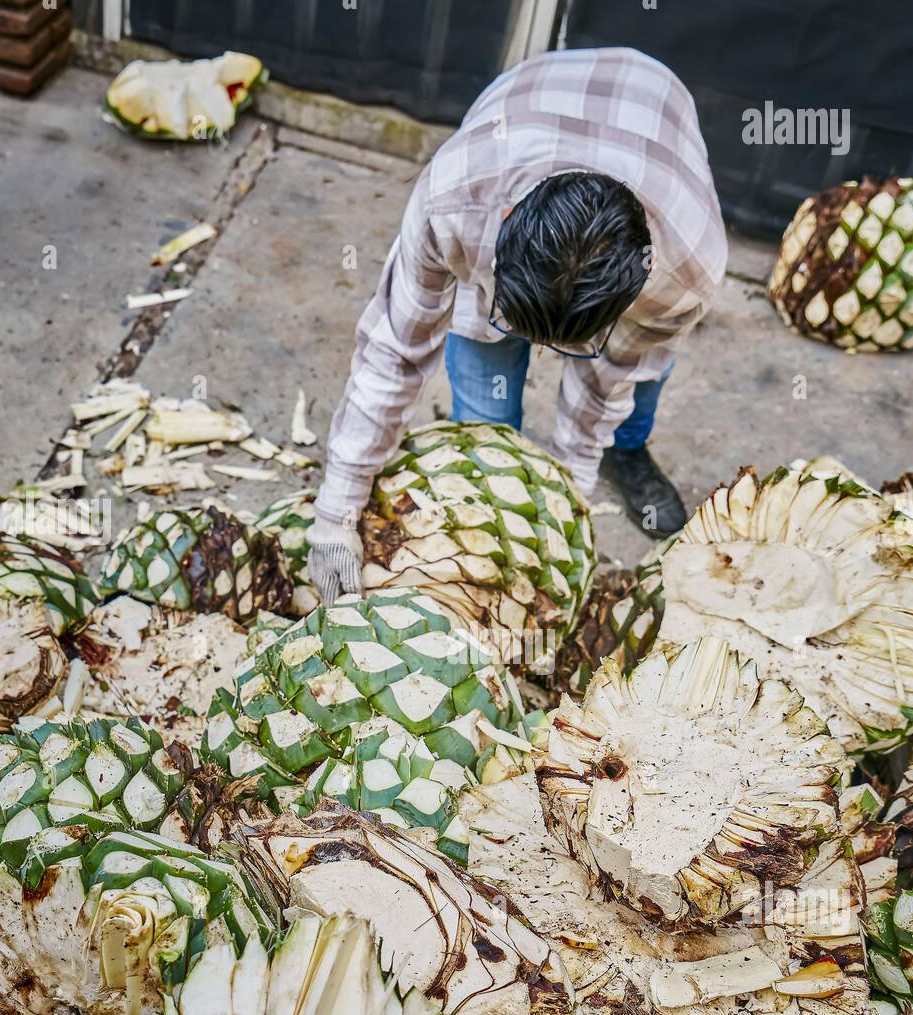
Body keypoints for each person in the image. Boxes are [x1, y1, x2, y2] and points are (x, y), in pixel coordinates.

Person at [310, 46, 727, 604]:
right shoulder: (454, 198)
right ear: (503, 222)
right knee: (484, 412)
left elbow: (612, 376)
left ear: (641, 277)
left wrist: (569, 504)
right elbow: (394, 350)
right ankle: (489, 467)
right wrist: (338, 505)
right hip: (530, 95)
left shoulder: (687, 266)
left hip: (652, 101)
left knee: (638, 381)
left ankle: (628, 451)